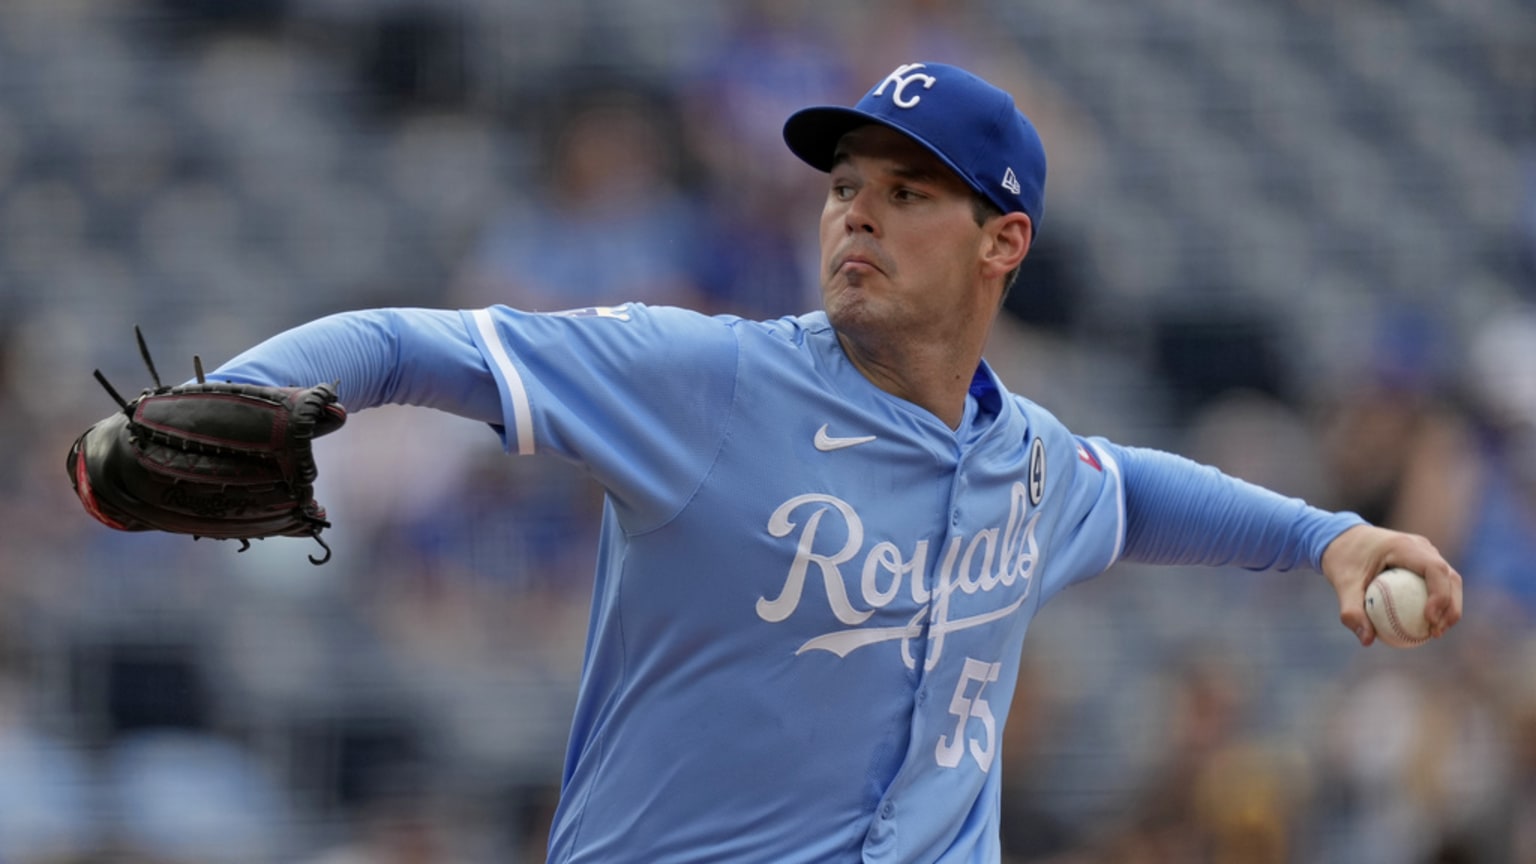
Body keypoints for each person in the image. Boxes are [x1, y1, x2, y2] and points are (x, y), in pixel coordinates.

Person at [82, 62, 1462, 863]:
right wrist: (249, 394)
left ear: (1005, 243)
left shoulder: (1024, 463)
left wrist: (1330, 539)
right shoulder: (706, 383)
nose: (856, 215)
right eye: (844, 187)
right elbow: (414, 340)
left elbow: (1143, 489)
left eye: (907, 193)